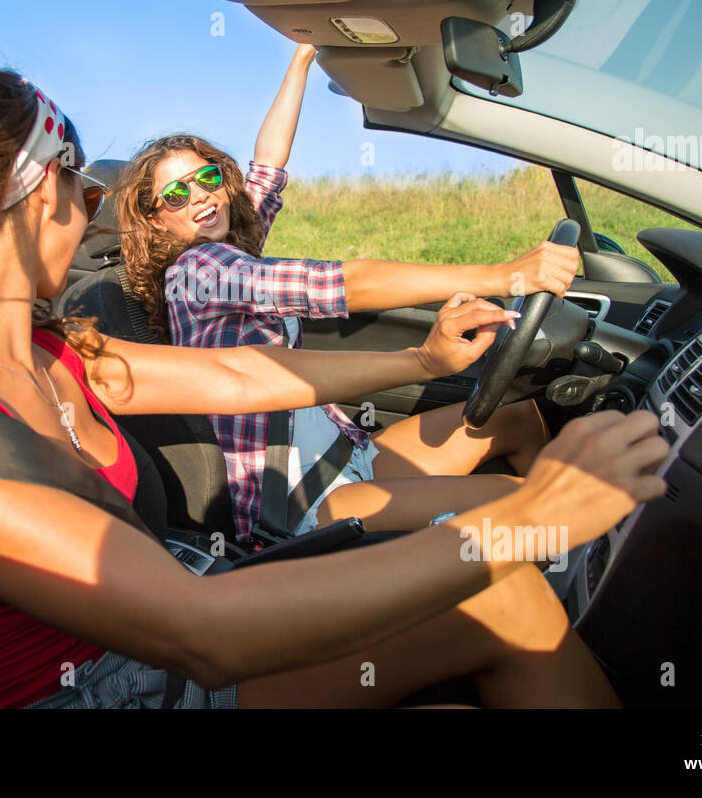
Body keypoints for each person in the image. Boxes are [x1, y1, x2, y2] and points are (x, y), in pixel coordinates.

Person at [0, 24, 668, 709]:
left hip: (178, 612)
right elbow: (198, 636)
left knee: (497, 604)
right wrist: (532, 518)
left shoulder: (52, 352)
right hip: (99, 691)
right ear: (28, 199)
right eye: (83, 195)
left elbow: (239, 383)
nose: (92, 215)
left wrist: (423, 357)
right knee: (513, 595)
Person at [117, 44, 582, 543]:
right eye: (177, 194)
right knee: (525, 503)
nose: (201, 195)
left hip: (347, 453)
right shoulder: (196, 269)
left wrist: (301, 57)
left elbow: (268, 170)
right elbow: (339, 285)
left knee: (517, 420)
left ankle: (552, 556)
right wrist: (506, 275)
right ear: (154, 218)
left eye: (206, 177)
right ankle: (558, 570)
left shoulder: (229, 244)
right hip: (299, 502)